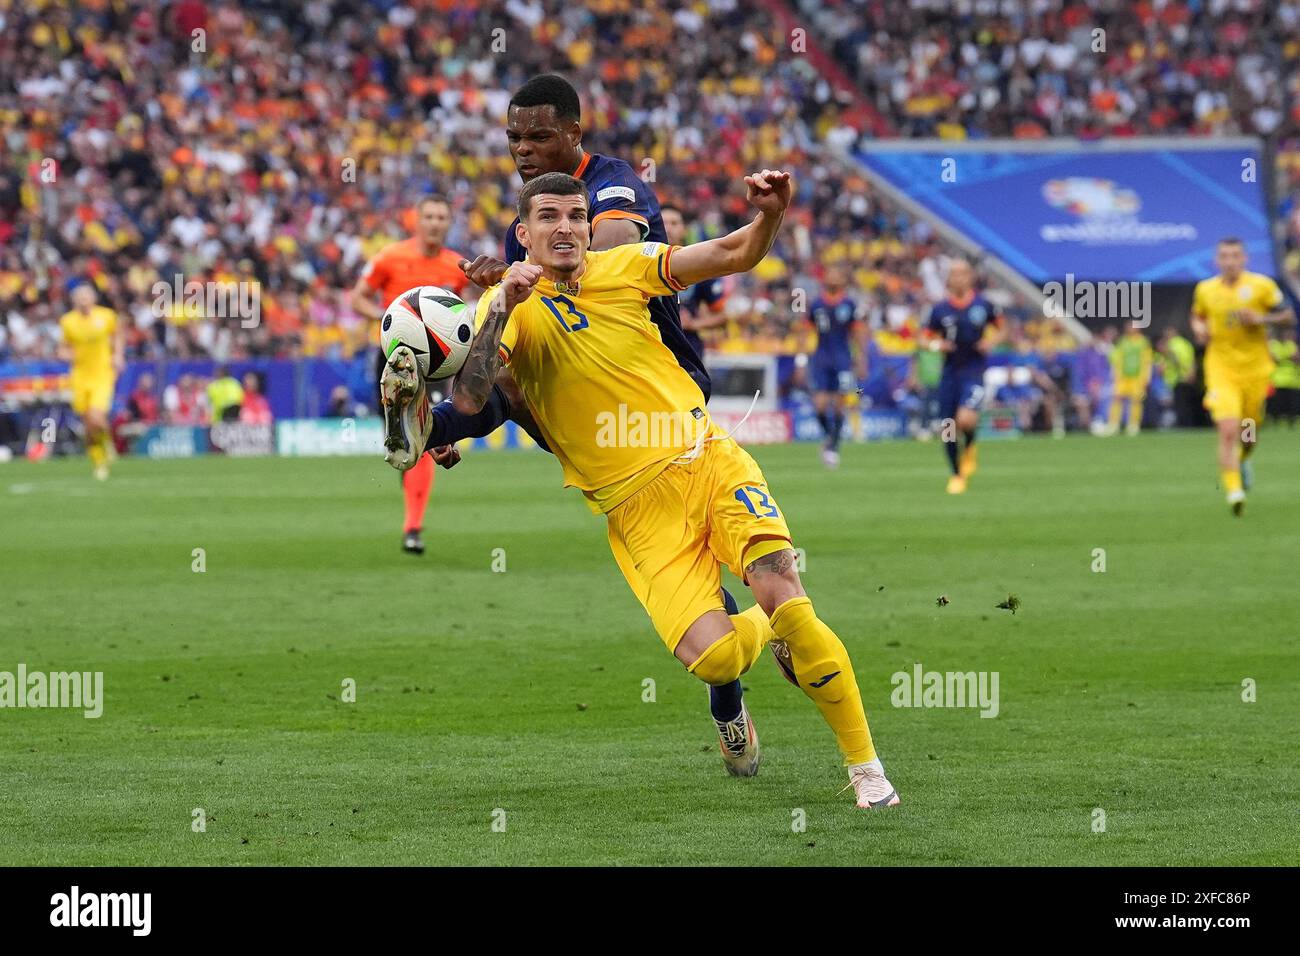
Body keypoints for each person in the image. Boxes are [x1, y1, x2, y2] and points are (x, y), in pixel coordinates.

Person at [384, 169, 899, 808]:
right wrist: (505, 309)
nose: (566, 227)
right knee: (715, 661)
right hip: (633, 509)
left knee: (783, 590)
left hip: (706, 457)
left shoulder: (625, 266)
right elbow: (472, 393)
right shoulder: (503, 309)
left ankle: (867, 771)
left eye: (576, 215)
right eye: (549, 217)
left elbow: (731, 253)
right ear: (523, 233)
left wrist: (769, 217)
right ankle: (768, 634)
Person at [388, 73, 749, 749]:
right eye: (513, 137)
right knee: (496, 370)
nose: (523, 148)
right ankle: (426, 422)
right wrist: (500, 305)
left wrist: (514, 280)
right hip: (576, 393)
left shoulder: (611, 183)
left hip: (647, 389)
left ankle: (732, 687)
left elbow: (603, 259)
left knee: (700, 564)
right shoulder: (524, 216)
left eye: (538, 136)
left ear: (573, 134)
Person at [352, 195, 469, 556]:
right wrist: (388, 318)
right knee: (400, 442)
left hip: (437, 369)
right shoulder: (390, 257)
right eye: (429, 217)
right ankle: (411, 470)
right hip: (393, 362)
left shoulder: (456, 266)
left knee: (427, 438)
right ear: (416, 221)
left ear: (448, 223)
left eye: (441, 218)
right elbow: (357, 297)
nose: (435, 223)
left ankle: (413, 528)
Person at [1190, 238, 1294, 515]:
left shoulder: (1262, 286)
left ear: (1244, 259)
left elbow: (1288, 316)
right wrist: (1199, 329)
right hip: (1221, 369)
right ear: (1216, 261)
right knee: (1227, 430)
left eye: (1235, 256)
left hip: (1256, 371)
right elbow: (1197, 317)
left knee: (1248, 433)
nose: (1230, 261)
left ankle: (1243, 459)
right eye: (1224, 256)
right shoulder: (1205, 290)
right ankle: (1234, 491)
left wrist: (1261, 320)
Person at [923, 259, 1003, 494]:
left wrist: (991, 341)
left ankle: (970, 445)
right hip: (949, 373)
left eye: (962, 274)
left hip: (974, 371)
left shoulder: (983, 305)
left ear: (970, 277)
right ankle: (956, 473)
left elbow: (1003, 328)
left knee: (966, 419)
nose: (958, 278)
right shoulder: (939, 310)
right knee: (947, 427)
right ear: (948, 279)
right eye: (954, 274)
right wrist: (938, 345)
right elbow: (924, 338)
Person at [57, 282, 124, 480]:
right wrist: (64, 354)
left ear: (93, 299)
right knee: (88, 425)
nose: (84, 302)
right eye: (80, 299)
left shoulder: (106, 316)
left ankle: (106, 444)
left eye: (87, 298)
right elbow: (63, 347)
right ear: (74, 302)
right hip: (79, 376)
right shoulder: (68, 322)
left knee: (96, 416)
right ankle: (99, 461)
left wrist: (118, 355)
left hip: (102, 373)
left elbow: (118, 335)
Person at [807, 265, 866, 468]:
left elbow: (856, 333)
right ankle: (829, 438)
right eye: (830, 273)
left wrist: (861, 359)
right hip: (822, 359)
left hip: (843, 359)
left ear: (842, 280)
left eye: (837, 273)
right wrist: (801, 357)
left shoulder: (849, 304)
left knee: (841, 405)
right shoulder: (816, 304)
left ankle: (833, 448)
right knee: (820, 405)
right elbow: (805, 330)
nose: (833, 277)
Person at [661, 204, 728, 360]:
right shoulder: (642, 261)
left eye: (674, 223)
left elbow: (722, 317)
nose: (668, 228)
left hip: (688, 354)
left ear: (684, 229)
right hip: (653, 352)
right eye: (663, 223)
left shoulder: (697, 265)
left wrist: (693, 324)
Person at [1106, 325, 1153, 436]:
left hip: (1137, 377)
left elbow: (1148, 361)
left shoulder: (1143, 342)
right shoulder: (1123, 341)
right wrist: (1114, 373)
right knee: (1117, 399)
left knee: (1136, 400)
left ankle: (1133, 425)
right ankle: (1114, 424)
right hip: (1123, 377)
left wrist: (1147, 377)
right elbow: (1116, 358)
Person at [1157, 326, 1198, 428]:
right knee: (1188, 404)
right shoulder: (1186, 344)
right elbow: (1192, 360)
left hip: (1178, 378)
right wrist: (1192, 372)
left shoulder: (1172, 344)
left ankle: (1183, 425)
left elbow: (1174, 359)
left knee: (1181, 405)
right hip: (1187, 376)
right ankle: (1189, 425)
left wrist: (1167, 353)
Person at [1267, 326, 1299, 427]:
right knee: (1277, 403)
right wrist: (1288, 358)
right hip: (1277, 380)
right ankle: (1275, 420)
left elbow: (1296, 358)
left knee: (1292, 403)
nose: (1287, 335)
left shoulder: (1291, 345)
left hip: (1292, 380)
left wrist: (1282, 358)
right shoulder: (1274, 344)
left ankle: (1291, 421)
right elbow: (1273, 359)